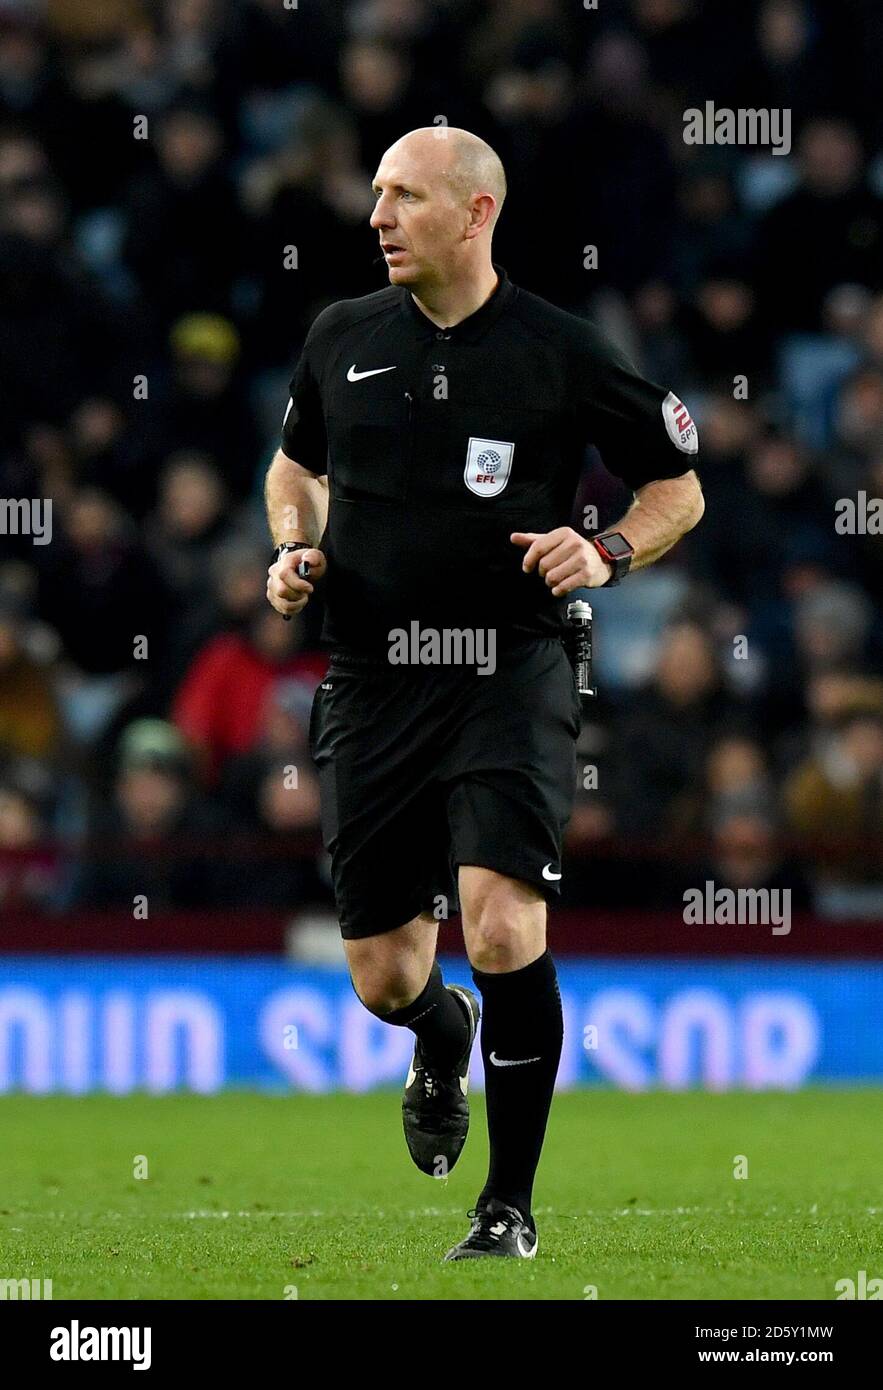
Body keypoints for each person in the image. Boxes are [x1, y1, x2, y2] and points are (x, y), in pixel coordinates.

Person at [263, 127, 704, 1260]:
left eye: (403, 196)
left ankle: (506, 1206)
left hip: (508, 665)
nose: (376, 216)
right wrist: (290, 544)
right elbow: (294, 465)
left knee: (504, 921)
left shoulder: (560, 351)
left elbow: (678, 487)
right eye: (374, 195)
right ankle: (437, 1028)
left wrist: (601, 550)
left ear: (475, 212)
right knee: (385, 972)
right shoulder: (341, 335)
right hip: (371, 675)